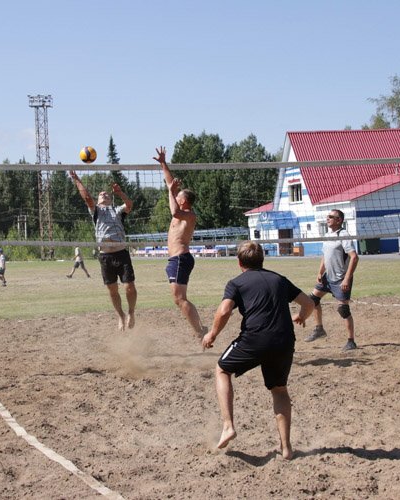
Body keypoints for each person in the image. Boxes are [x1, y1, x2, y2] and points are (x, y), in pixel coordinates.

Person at [202, 241, 315, 458]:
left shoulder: (236, 283)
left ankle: (228, 426)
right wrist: (301, 316)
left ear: (239, 262)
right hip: (284, 340)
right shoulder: (279, 279)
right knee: (279, 389)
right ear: (263, 260)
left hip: (255, 339)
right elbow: (309, 303)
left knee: (222, 370)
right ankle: (286, 448)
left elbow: (225, 310)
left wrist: (212, 334)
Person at [69, 171, 137, 331]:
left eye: (106, 194)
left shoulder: (117, 210)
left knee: (130, 287)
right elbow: (87, 198)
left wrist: (120, 192)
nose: (104, 194)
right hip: (106, 255)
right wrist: (77, 179)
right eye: (101, 194)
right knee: (113, 290)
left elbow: (129, 205)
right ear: (98, 201)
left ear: (111, 199)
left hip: (121, 252)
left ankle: (131, 312)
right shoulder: (96, 211)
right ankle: (120, 316)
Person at [153, 146, 205, 338]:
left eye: (178, 195)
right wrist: (163, 163)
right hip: (176, 260)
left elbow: (174, 211)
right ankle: (200, 329)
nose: (175, 195)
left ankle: (200, 331)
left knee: (179, 298)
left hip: (181, 259)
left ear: (184, 201)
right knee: (179, 299)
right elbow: (169, 182)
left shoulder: (189, 215)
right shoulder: (180, 207)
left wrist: (170, 190)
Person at [304, 209, 359, 351]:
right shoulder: (328, 235)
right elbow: (325, 255)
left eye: (331, 217)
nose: (327, 219)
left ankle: (351, 341)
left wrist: (347, 278)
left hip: (341, 278)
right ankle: (319, 329)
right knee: (313, 300)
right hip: (327, 277)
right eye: (327, 216)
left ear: (339, 220)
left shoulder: (344, 235)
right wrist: (320, 271)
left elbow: (354, 257)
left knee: (343, 310)